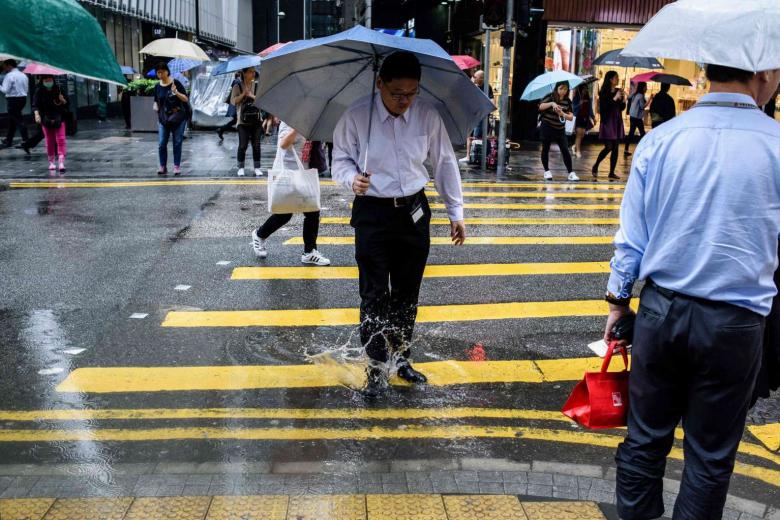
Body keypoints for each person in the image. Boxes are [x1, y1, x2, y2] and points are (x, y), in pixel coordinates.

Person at [603, 64, 780, 520]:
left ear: (707, 70)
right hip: (736, 322)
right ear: (763, 72)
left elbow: (631, 237)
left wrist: (619, 302)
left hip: (661, 312)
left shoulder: (662, 140)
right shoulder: (776, 144)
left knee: (644, 441)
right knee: (710, 457)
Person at [332, 51, 466, 398]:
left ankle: (402, 357)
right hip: (372, 213)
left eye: (412, 92)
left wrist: (456, 211)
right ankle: (376, 369)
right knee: (374, 294)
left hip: (413, 213)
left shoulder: (426, 116)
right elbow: (340, 160)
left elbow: (444, 163)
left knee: (407, 294)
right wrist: (351, 180)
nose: (404, 100)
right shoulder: (357, 116)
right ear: (380, 85)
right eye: (397, 93)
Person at [252, 122, 330, 266]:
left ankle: (309, 252)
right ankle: (259, 234)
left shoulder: (311, 122)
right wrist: (298, 128)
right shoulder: (288, 122)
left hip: (304, 171)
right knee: (284, 215)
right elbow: (283, 144)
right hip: (288, 173)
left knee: (313, 211)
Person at [537, 81, 578, 181]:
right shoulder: (550, 97)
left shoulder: (567, 101)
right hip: (547, 127)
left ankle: (571, 173)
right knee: (545, 148)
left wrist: (562, 114)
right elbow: (540, 106)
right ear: (556, 88)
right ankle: (547, 171)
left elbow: (571, 117)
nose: (563, 91)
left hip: (560, 129)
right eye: (561, 88)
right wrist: (552, 104)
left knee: (565, 150)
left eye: (566, 89)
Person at [153, 62, 188, 176]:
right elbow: (156, 101)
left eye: (162, 71)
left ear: (167, 71)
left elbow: (185, 99)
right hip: (164, 118)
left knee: (177, 142)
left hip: (177, 117)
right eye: (158, 72)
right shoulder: (157, 86)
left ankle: (176, 166)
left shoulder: (175, 83)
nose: (160, 74)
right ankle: (163, 166)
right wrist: (155, 106)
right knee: (162, 143)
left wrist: (176, 92)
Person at [591, 71, 626, 180]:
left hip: (616, 120)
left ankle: (611, 172)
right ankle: (596, 165)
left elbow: (621, 108)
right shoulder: (604, 92)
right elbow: (604, 108)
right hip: (607, 121)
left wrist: (623, 100)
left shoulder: (618, 90)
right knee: (609, 147)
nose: (618, 79)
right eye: (616, 77)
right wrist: (615, 98)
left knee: (615, 147)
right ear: (610, 79)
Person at [230, 67, 263, 177]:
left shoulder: (257, 85)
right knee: (243, 145)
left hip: (256, 119)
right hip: (242, 121)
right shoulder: (237, 85)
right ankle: (241, 167)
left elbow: (262, 100)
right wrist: (243, 94)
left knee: (256, 145)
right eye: (250, 71)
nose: (253, 74)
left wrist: (251, 95)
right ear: (244, 73)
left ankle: (257, 167)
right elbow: (233, 101)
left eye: (254, 72)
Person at [33, 75, 69, 173]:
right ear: (42, 81)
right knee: (49, 141)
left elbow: (67, 103)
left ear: (53, 80)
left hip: (59, 118)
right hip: (46, 119)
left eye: (50, 80)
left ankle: (61, 162)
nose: (48, 82)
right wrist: (37, 115)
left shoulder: (59, 89)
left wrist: (63, 100)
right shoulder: (39, 91)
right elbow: (35, 105)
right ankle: (51, 162)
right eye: (46, 80)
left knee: (61, 139)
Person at [459, 70, 493, 163]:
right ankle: (468, 156)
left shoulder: (487, 87)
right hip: (472, 114)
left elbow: (491, 101)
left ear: (481, 78)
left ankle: (478, 156)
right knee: (469, 135)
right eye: (473, 76)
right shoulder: (473, 86)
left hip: (481, 116)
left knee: (477, 136)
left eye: (476, 77)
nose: (474, 78)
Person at [0, 59, 29, 148]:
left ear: (9, 66)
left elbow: (5, 90)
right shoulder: (23, 75)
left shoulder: (9, 76)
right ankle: (8, 140)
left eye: (4, 65)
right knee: (13, 120)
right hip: (23, 99)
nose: (3, 67)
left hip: (13, 100)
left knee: (19, 120)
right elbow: (26, 89)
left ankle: (26, 141)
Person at [624, 82, 651, 156]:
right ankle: (644, 149)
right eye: (645, 87)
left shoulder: (635, 94)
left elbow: (629, 97)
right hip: (637, 117)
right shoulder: (641, 96)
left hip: (633, 116)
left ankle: (626, 149)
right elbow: (642, 106)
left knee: (632, 133)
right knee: (642, 133)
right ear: (643, 88)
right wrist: (650, 99)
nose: (646, 88)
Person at [572, 84, 595, 158]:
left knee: (582, 135)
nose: (585, 90)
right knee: (579, 135)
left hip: (585, 118)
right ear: (580, 89)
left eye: (586, 89)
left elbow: (590, 109)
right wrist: (579, 104)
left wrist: (593, 117)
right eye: (584, 89)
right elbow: (572, 108)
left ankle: (575, 146)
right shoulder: (576, 98)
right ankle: (578, 151)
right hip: (578, 117)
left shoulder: (588, 98)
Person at [217, 72, 240, 141]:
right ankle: (221, 129)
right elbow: (235, 94)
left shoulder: (237, 81)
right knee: (237, 120)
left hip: (236, 103)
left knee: (235, 120)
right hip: (236, 104)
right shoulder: (237, 81)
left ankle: (221, 129)